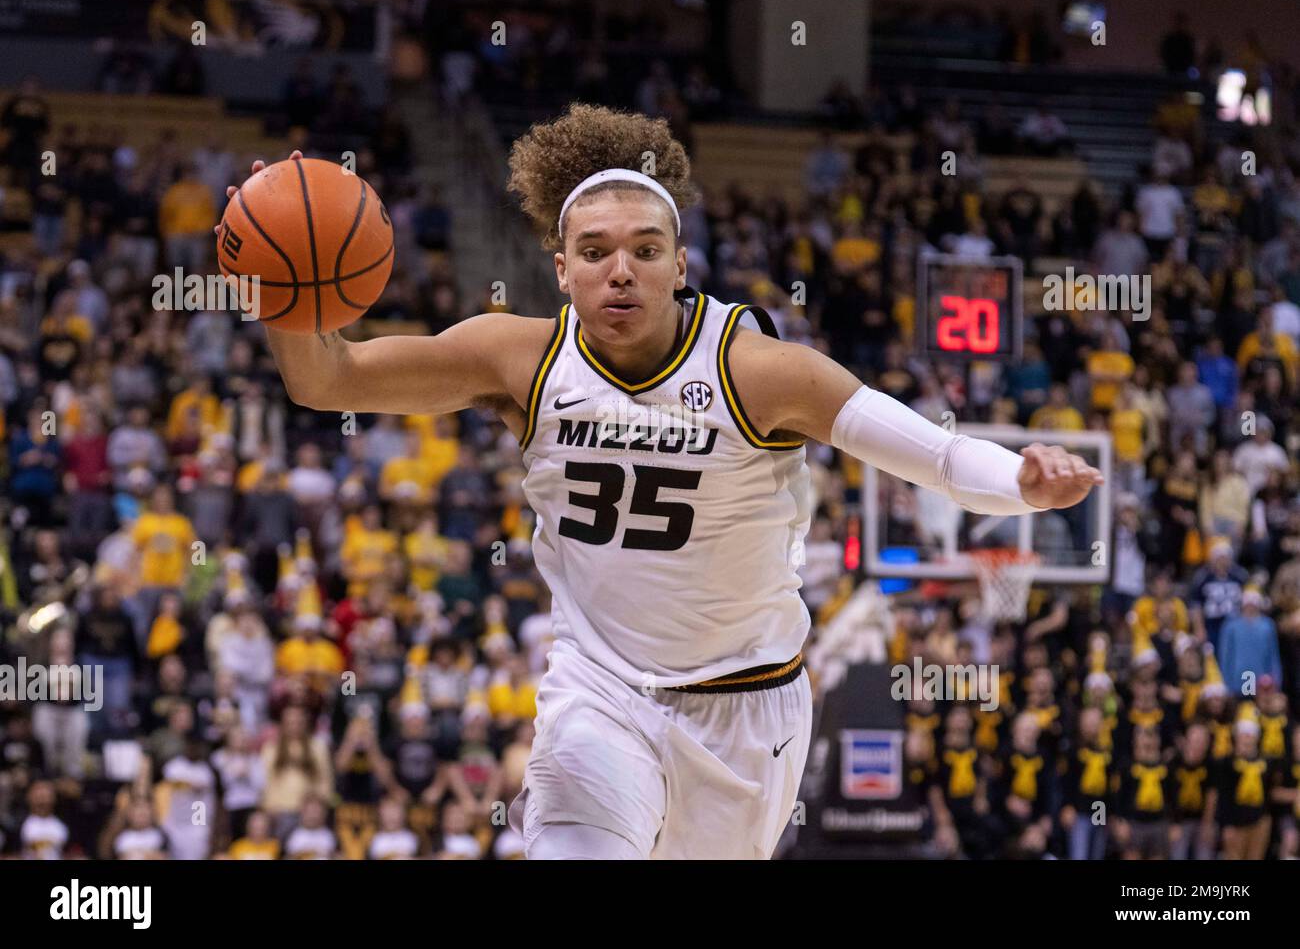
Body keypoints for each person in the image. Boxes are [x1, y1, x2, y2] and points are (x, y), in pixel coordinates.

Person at [231, 105, 1103, 860]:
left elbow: (940, 456)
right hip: (598, 692)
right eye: (596, 251)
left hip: (747, 709)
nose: (622, 271)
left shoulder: (760, 371)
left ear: (680, 265)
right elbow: (328, 380)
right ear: (560, 269)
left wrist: (1024, 478)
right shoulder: (516, 358)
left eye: (646, 250)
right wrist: (277, 266)